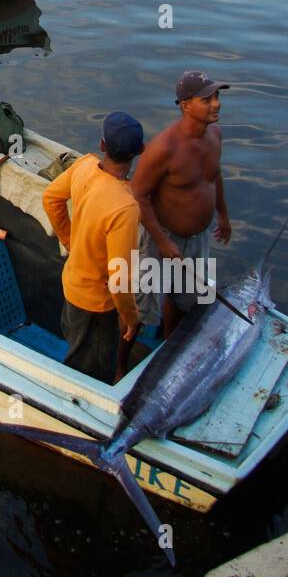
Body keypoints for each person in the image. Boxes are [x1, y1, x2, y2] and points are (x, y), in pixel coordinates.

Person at [42, 112, 144, 384]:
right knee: (92, 370)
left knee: (75, 339)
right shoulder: (125, 207)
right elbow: (120, 280)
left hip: (71, 282)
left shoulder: (85, 165)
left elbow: (51, 198)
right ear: (140, 152)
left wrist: (68, 240)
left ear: (102, 145)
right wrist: (131, 318)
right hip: (96, 305)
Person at [132, 70, 231, 337]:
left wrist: (223, 215)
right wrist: (164, 242)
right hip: (160, 240)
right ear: (186, 106)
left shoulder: (216, 135)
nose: (216, 104)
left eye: (217, 96)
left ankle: (168, 341)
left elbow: (214, 177)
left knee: (185, 300)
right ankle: (123, 365)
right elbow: (138, 195)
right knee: (143, 309)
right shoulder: (164, 148)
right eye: (207, 99)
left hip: (199, 238)